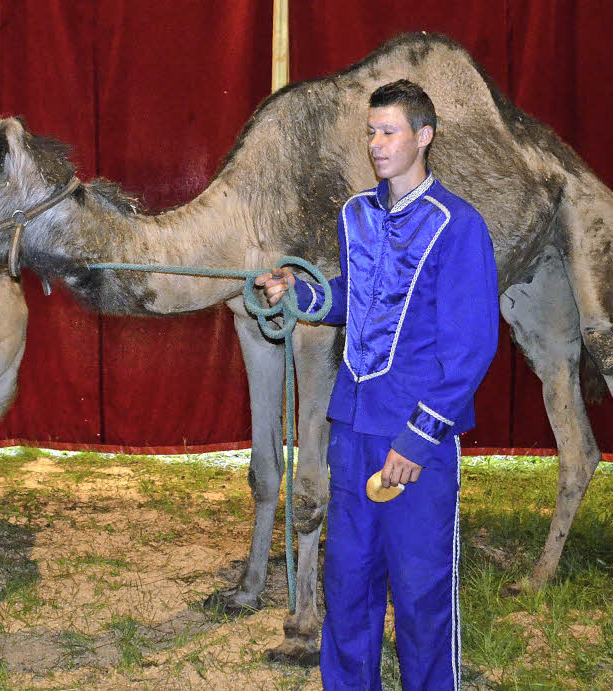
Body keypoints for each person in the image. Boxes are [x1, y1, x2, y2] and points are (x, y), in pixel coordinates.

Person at [256, 80, 499, 689]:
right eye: (371, 131)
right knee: (348, 586)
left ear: (424, 136)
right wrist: (302, 293)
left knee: (419, 597)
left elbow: (471, 348)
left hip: (415, 437)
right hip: (353, 428)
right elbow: (356, 299)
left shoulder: (457, 225)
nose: (377, 144)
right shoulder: (355, 214)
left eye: (389, 131)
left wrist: (417, 442)